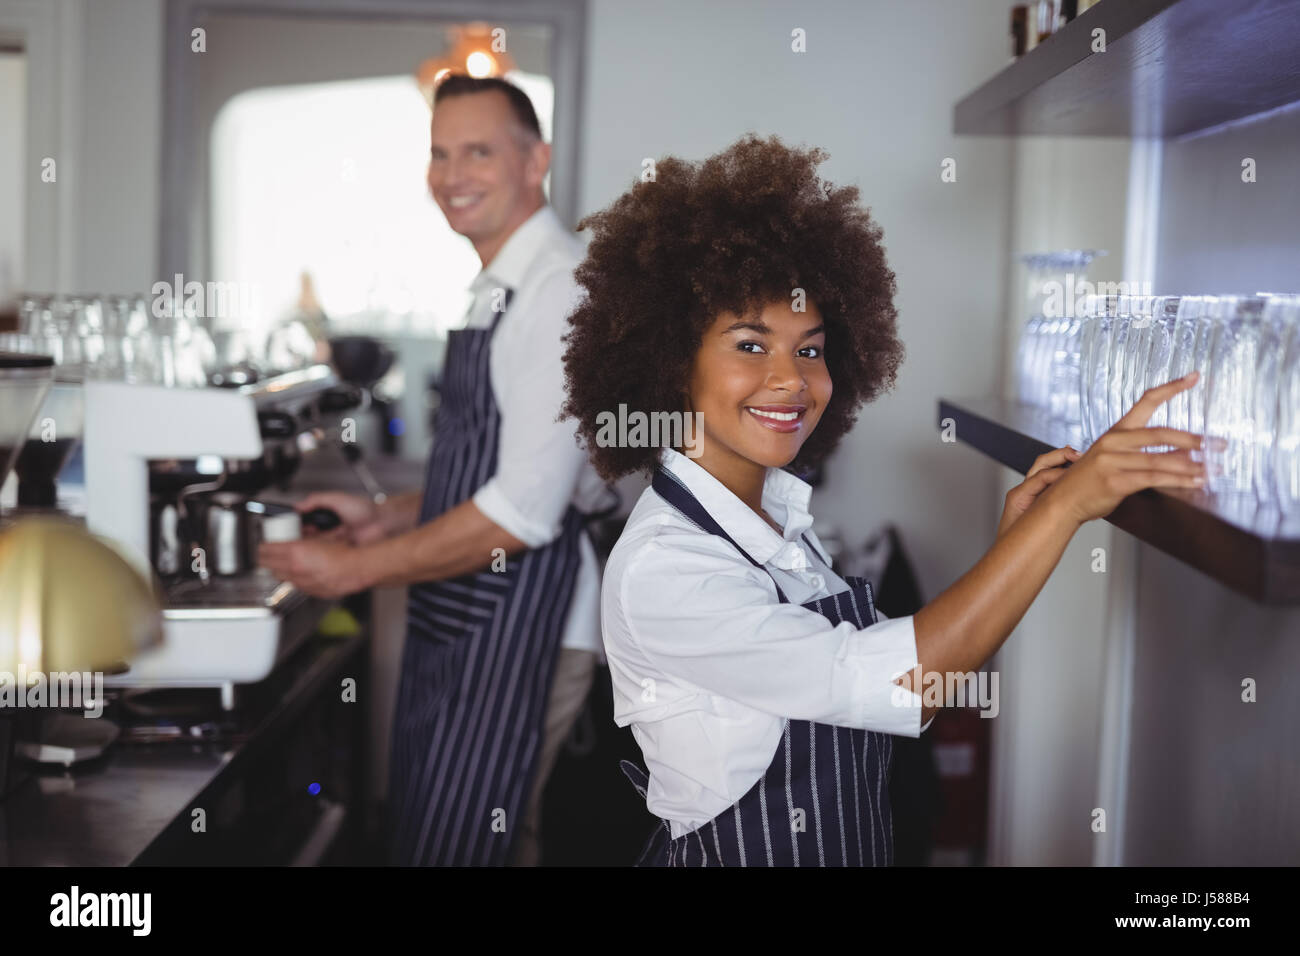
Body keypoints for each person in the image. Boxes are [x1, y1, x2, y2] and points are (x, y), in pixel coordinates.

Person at [558, 133, 1211, 866]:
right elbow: (903, 687)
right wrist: (1065, 512)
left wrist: (1020, 541)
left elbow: (879, 667)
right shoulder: (669, 567)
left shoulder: (775, 521)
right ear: (672, 365)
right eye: (750, 346)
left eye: (810, 348)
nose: (791, 380)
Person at [259, 75, 609, 866]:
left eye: (478, 152)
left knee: (474, 843)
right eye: (440, 153)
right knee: (453, 837)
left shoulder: (556, 290)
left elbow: (523, 513)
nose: (453, 175)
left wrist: (353, 571)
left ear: (536, 161)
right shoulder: (500, 285)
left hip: (529, 616)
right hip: (477, 611)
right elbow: (499, 464)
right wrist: (390, 516)